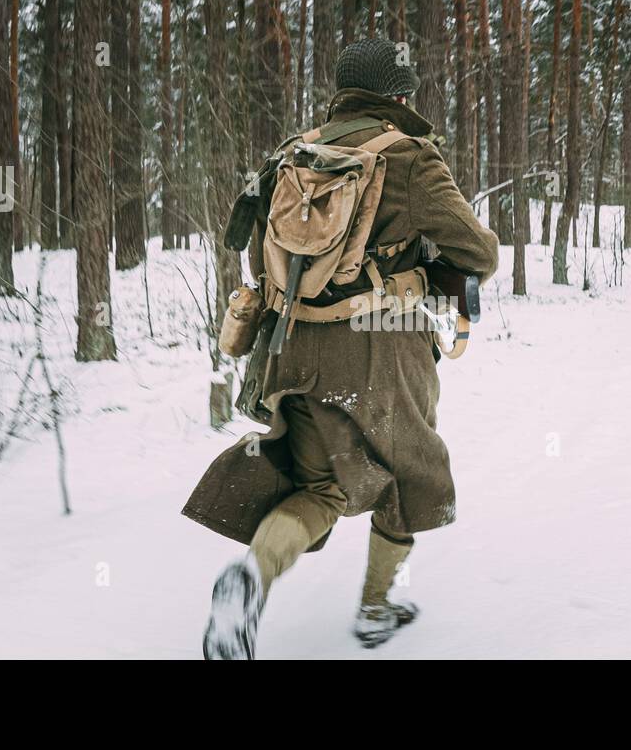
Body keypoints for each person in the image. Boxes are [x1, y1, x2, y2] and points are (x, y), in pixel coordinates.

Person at [188, 38, 499, 659]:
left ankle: (250, 579)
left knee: (323, 491)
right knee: (409, 475)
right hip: (380, 357)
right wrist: (416, 275)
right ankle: (377, 610)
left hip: (293, 349)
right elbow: (480, 254)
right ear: (397, 95)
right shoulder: (409, 157)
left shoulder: (290, 155)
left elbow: (260, 259)